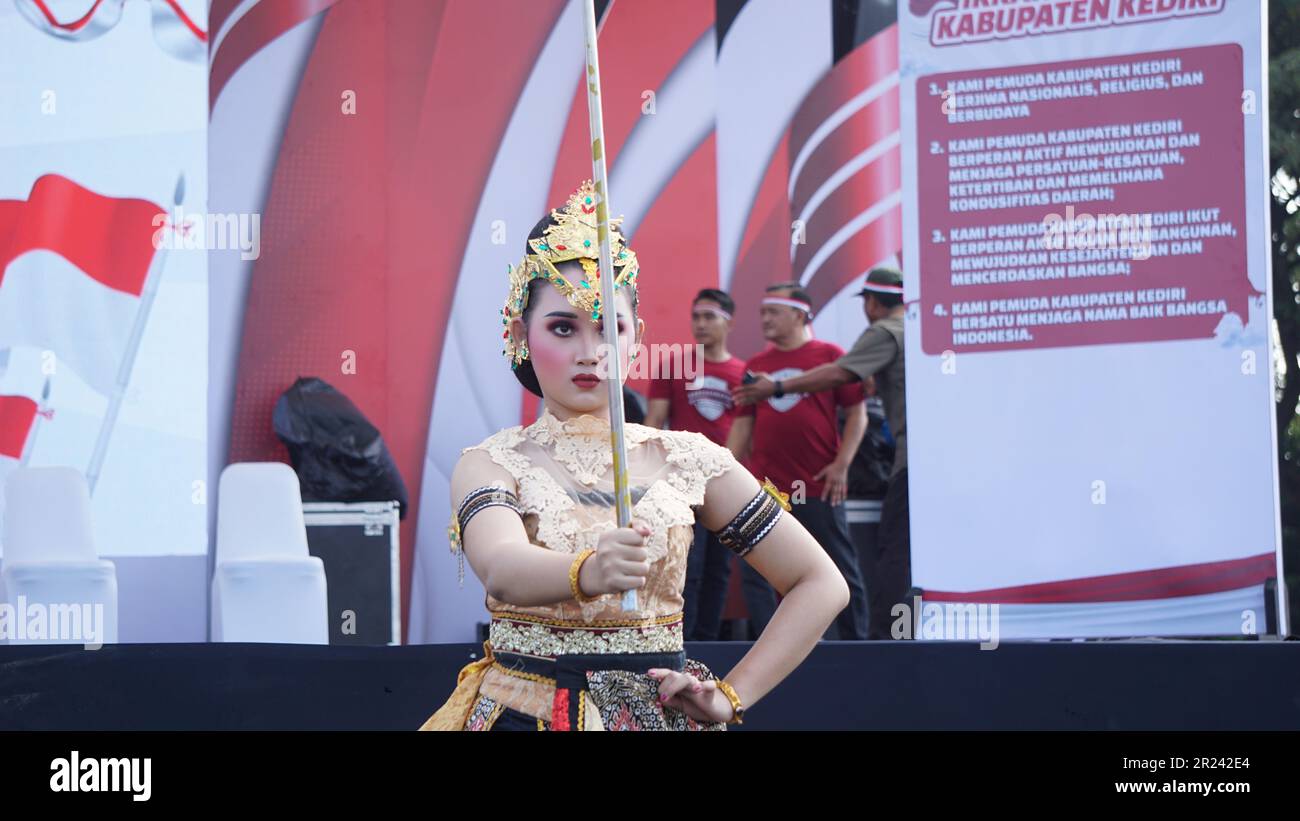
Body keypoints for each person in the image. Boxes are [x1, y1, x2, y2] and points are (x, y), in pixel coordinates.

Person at [418, 183, 850, 730]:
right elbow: (502, 569)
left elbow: (821, 584)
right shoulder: (493, 461)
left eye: (608, 327)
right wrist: (588, 570)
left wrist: (730, 697)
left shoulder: (691, 459)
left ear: (637, 338)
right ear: (518, 334)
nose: (589, 352)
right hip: (525, 715)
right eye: (563, 327)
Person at [733, 267, 907, 640]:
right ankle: (771, 649)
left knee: (839, 569)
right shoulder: (755, 366)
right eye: (762, 312)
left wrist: (842, 465)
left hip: (818, 485)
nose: (765, 319)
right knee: (760, 573)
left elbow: (857, 414)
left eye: (773, 311)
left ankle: (856, 646)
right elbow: (743, 424)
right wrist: (728, 471)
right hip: (766, 489)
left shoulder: (831, 355)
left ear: (799, 315)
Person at [644, 289, 747, 642]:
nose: (700, 324)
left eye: (710, 317)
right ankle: (681, 641)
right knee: (688, 565)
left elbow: (746, 430)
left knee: (720, 568)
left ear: (729, 322)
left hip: (727, 484)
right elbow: (653, 424)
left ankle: (709, 643)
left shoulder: (744, 373)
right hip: (680, 486)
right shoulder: (673, 365)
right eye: (696, 316)